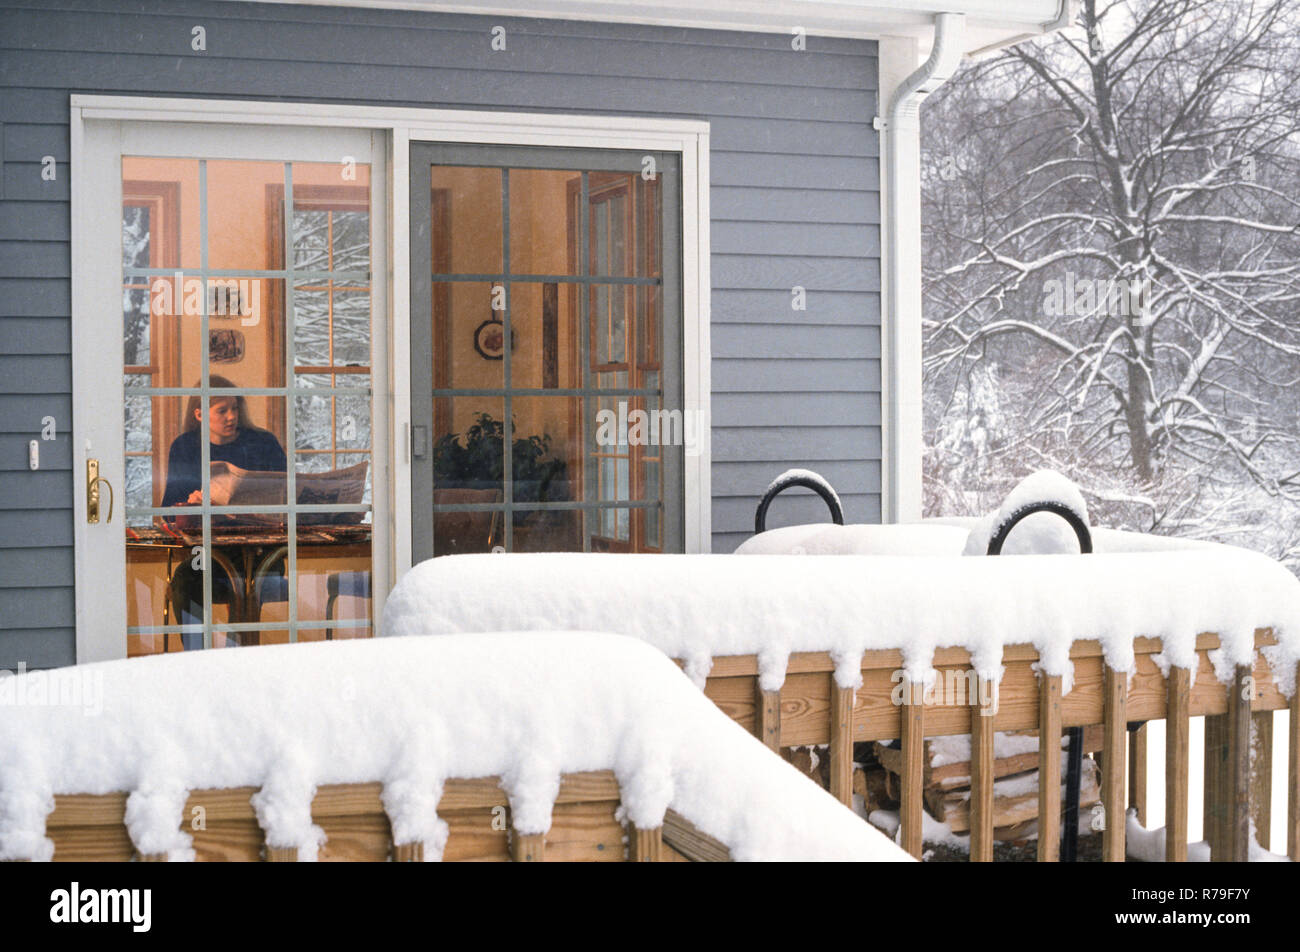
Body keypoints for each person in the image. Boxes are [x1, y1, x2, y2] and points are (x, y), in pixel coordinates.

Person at [163, 376, 286, 649]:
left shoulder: (264, 443)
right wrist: (190, 504)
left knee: (248, 586)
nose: (232, 417)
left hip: (263, 556)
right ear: (199, 414)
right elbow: (168, 513)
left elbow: (289, 499)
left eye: (235, 408)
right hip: (207, 557)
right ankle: (200, 660)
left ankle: (237, 659)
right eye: (222, 410)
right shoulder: (184, 448)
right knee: (184, 584)